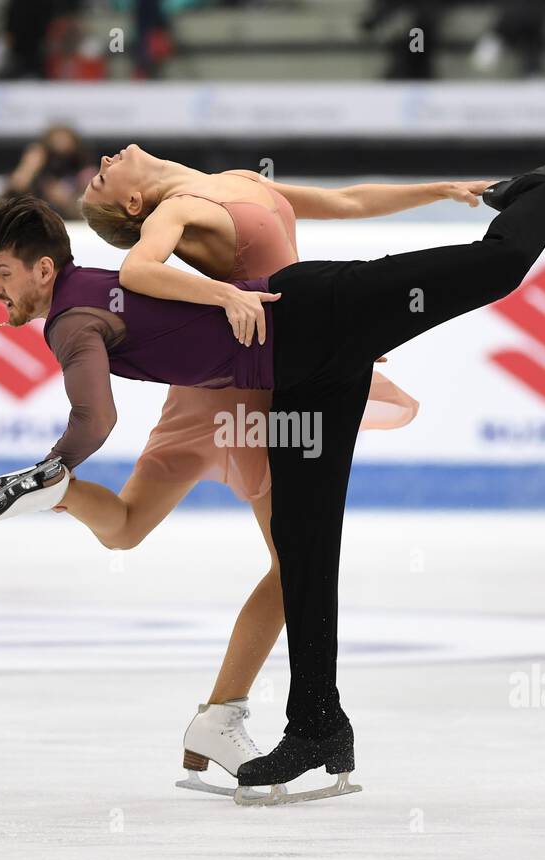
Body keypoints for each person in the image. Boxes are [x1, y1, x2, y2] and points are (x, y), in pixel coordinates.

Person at [0, 158, 545, 803]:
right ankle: (318, 724)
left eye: (1, 272)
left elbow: (96, 416)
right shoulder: (104, 277)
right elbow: (121, 346)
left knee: (494, 266)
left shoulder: (81, 309)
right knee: (302, 545)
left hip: (316, 312)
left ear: (43, 268)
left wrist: (50, 470)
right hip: (296, 375)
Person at [69, 145, 492, 793]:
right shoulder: (178, 208)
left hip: (210, 386)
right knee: (296, 562)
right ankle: (222, 713)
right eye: (104, 175)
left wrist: (437, 187)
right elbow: (137, 271)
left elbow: (348, 201)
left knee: (126, 526)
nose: (105, 156)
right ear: (133, 201)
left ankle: (57, 488)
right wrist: (222, 295)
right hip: (253, 390)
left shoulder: (235, 182)